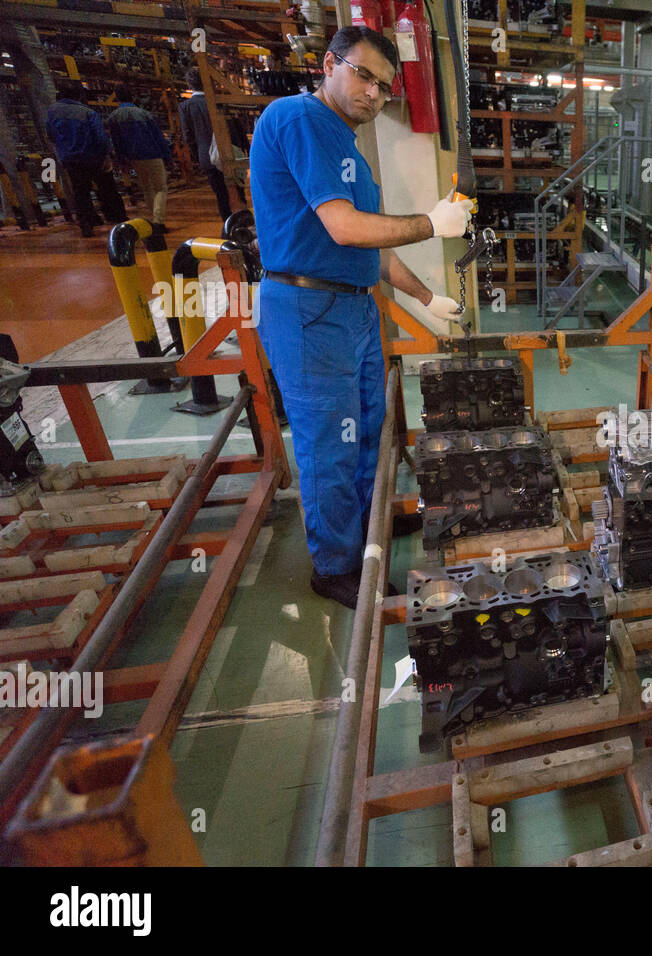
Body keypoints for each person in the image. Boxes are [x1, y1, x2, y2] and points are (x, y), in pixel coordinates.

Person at [250, 25, 472, 608]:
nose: (374, 94)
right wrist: (431, 222)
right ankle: (335, 565)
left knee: (368, 426)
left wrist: (426, 298)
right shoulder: (298, 120)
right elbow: (345, 228)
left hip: (349, 307)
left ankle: (363, 529)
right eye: (364, 75)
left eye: (384, 87)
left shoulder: (346, 146)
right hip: (306, 310)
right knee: (329, 440)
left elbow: (374, 250)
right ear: (330, 63)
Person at [45, 81, 127, 237]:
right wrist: (107, 155)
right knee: (107, 188)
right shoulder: (87, 112)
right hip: (92, 156)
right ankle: (117, 218)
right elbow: (100, 138)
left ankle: (87, 224)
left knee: (81, 192)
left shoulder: (52, 112)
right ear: (78, 95)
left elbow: (50, 135)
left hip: (70, 159)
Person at [180, 67, 247, 222]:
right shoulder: (220, 101)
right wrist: (244, 149)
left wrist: (198, 156)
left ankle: (229, 228)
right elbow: (238, 127)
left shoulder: (186, 107)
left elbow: (188, 136)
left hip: (207, 157)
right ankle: (244, 226)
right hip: (232, 152)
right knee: (238, 191)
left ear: (190, 84)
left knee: (221, 195)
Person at [106, 84, 171, 231]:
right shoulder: (145, 114)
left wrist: (122, 160)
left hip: (134, 157)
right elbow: (158, 137)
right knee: (160, 187)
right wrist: (167, 156)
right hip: (153, 154)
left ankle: (154, 219)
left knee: (146, 187)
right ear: (132, 97)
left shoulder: (114, 118)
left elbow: (117, 142)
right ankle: (158, 220)